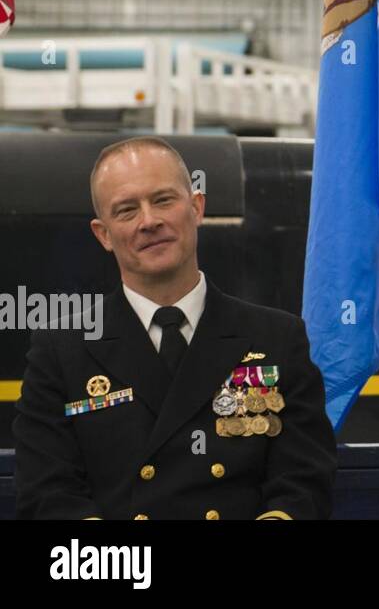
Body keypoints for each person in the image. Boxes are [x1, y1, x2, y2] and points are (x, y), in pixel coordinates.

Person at [14, 136, 335, 520]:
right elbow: (48, 495)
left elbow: (303, 484)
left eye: (164, 200)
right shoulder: (61, 351)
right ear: (103, 235)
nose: (149, 221)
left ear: (196, 207)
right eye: (127, 210)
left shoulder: (278, 339)